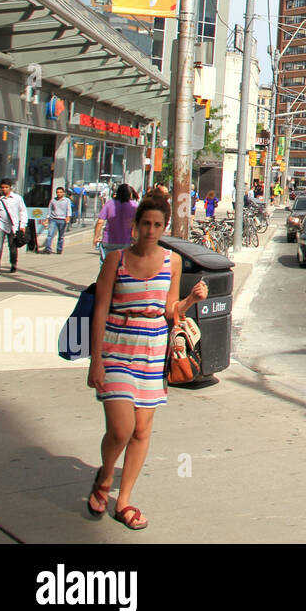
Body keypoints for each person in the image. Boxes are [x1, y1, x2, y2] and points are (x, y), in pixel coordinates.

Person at [85, 191, 208, 530]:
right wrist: (96, 361)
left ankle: (123, 501)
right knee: (121, 428)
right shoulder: (116, 260)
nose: (151, 230)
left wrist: (188, 300)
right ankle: (106, 476)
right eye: (146, 224)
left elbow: (171, 312)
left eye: (157, 225)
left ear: (164, 226)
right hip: (117, 347)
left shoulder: (172, 261)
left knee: (141, 430)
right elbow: (100, 309)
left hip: (153, 351)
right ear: (135, 226)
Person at [0, 178, 28, 277]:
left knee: (12, 247)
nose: (4, 189)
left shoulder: (17, 198)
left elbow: (23, 212)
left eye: (6, 187)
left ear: (10, 188)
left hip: (13, 226)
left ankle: (13, 263)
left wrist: (22, 225)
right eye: (2, 187)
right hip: (0, 225)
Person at [93, 184, 138, 263]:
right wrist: (134, 237)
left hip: (109, 240)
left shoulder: (109, 204)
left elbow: (100, 222)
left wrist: (96, 237)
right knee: (122, 265)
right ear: (129, 194)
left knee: (106, 265)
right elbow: (136, 224)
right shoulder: (134, 206)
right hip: (125, 241)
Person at [43, 185, 74, 254]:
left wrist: (68, 217)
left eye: (60, 192)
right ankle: (48, 248)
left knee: (61, 235)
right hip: (53, 219)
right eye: (57, 192)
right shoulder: (53, 200)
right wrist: (47, 219)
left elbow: (69, 209)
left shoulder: (66, 200)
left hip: (62, 220)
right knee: (50, 234)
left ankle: (59, 249)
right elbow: (49, 210)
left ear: (63, 193)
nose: (59, 193)